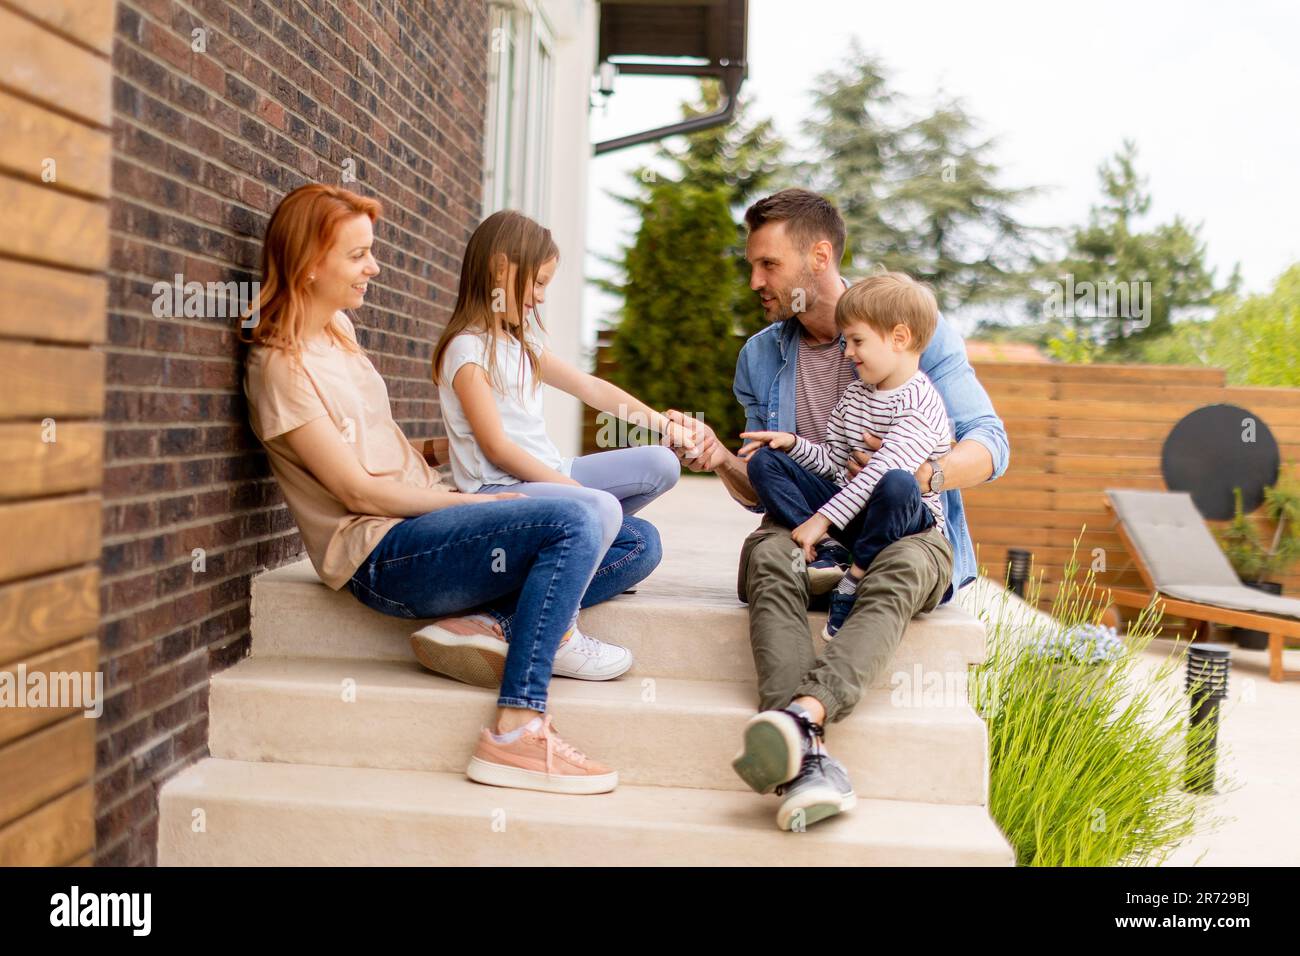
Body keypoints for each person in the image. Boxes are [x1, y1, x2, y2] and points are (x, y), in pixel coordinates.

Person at [240, 184, 654, 794]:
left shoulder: (339, 331)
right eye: (358, 256)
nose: (373, 267)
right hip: (383, 554)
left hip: (422, 521)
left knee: (639, 539)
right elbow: (361, 492)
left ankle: (489, 624)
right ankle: (516, 728)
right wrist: (471, 503)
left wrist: (439, 455)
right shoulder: (282, 369)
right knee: (574, 521)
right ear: (309, 265)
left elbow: (373, 443)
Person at [665, 189, 1010, 829]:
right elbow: (761, 489)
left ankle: (802, 721)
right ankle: (808, 752)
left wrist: (917, 470)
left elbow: (992, 443)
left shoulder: (913, 329)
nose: (754, 281)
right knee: (768, 552)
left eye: (767, 265)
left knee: (902, 567)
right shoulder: (760, 356)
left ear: (819, 256)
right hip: (815, 530)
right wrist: (719, 458)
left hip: (901, 520)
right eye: (752, 266)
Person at [432, 210, 691, 680]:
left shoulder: (521, 344)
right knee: (609, 518)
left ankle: (514, 603)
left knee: (659, 470)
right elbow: (495, 448)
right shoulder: (465, 350)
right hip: (498, 492)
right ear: (500, 268)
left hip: (548, 474)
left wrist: (662, 426)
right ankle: (560, 636)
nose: (541, 298)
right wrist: (577, 495)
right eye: (538, 283)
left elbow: (591, 389)